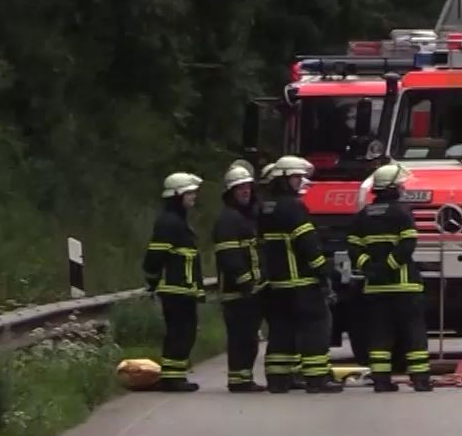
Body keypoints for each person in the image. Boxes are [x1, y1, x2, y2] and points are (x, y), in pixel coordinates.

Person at [257, 155, 339, 393]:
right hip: (302, 283)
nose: (299, 182)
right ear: (283, 179)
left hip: (276, 285)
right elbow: (308, 244)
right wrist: (325, 270)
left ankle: (278, 379)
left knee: (282, 330)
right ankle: (316, 379)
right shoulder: (293, 206)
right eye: (295, 177)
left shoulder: (266, 208)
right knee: (316, 327)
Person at [348, 163, 432, 392]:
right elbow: (408, 245)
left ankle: (381, 380)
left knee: (379, 335)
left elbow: (353, 249)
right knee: (413, 332)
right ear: (393, 187)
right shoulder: (402, 213)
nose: (404, 188)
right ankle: (420, 379)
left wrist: (370, 268)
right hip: (404, 286)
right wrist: (390, 266)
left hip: (375, 288)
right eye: (401, 185)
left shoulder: (362, 216)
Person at [142, 172, 206, 392]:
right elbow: (154, 257)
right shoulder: (169, 223)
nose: (193, 197)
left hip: (183, 289)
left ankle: (175, 376)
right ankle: (173, 379)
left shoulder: (177, 221)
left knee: (184, 333)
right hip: (175, 290)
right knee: (180, 333)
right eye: (190, 193)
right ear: (177, 194)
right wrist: (153, 281)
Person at [212, 161, 266, 392]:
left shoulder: (246, 218)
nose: (245, 191)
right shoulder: (228, 220)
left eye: (248, 187)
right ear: (230, 192)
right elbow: (230, 258)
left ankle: (244, 378)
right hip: (236, 292)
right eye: (240, 188)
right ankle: (237, 380)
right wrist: (246, 283)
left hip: (250, 290)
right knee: (240, 337)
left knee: (249, 337)